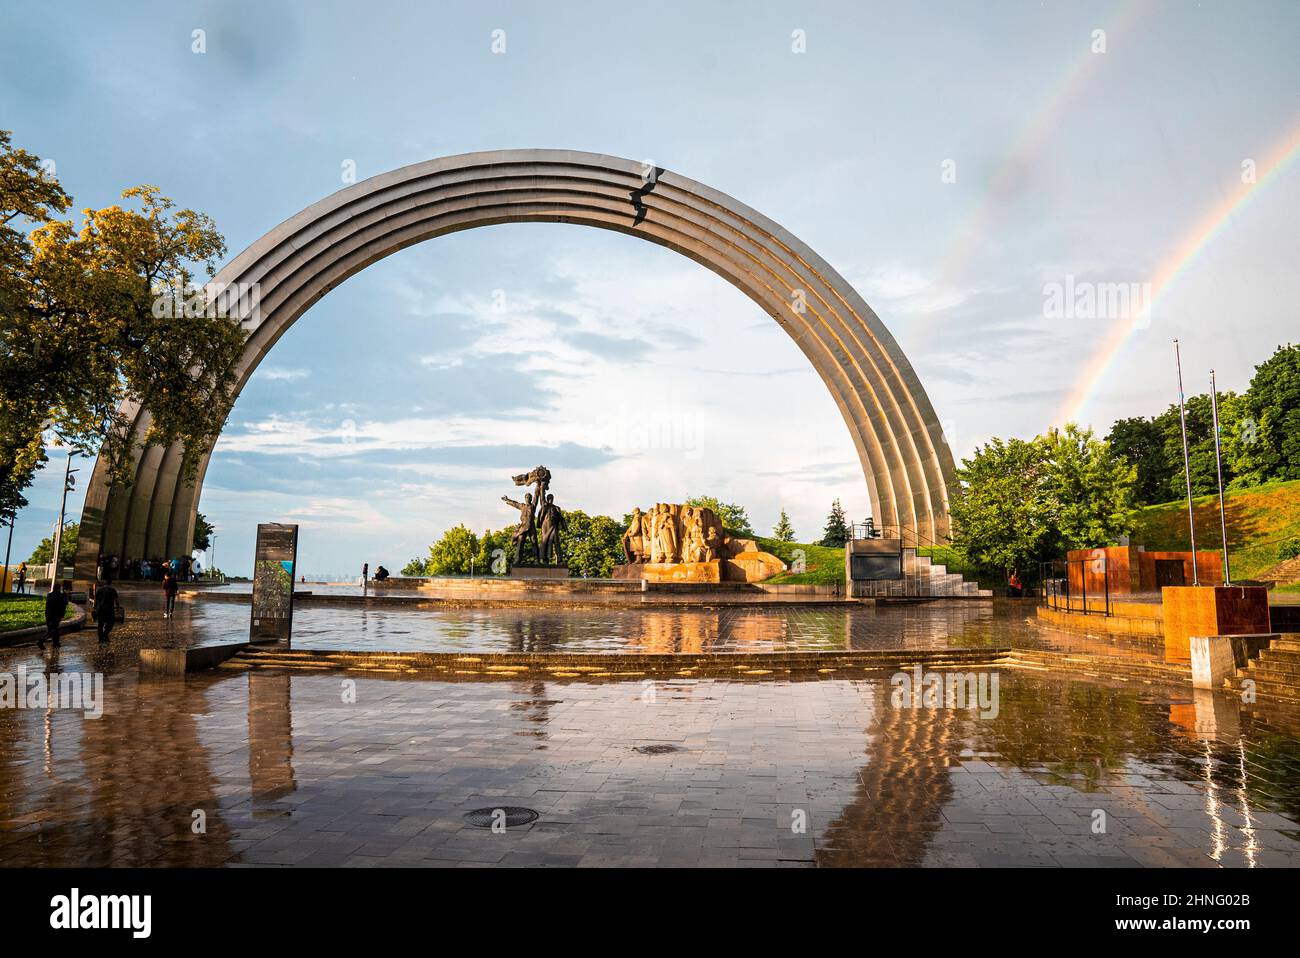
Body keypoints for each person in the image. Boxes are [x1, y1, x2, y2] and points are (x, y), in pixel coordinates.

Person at [39, 582, 68, 650]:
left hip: (48, 615)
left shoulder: (49, 595)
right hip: (56, 616)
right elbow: (66, 603)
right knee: (52, 630)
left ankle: (56, 643)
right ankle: (40, 641)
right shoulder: (61, 595)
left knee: (54, 629)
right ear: (59, 589)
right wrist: (65, 595)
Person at [93, 579, 121, 643]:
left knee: (100, 624)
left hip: (100, 609)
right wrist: (117, 607)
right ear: (111, 584)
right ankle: (105, 634)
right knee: (111, 622)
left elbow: (95, 600)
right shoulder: (112, 590)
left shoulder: (99, 589)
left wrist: (95, 608)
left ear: (104, 584)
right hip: (109, 609)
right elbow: (116, 600)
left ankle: (100, 638)